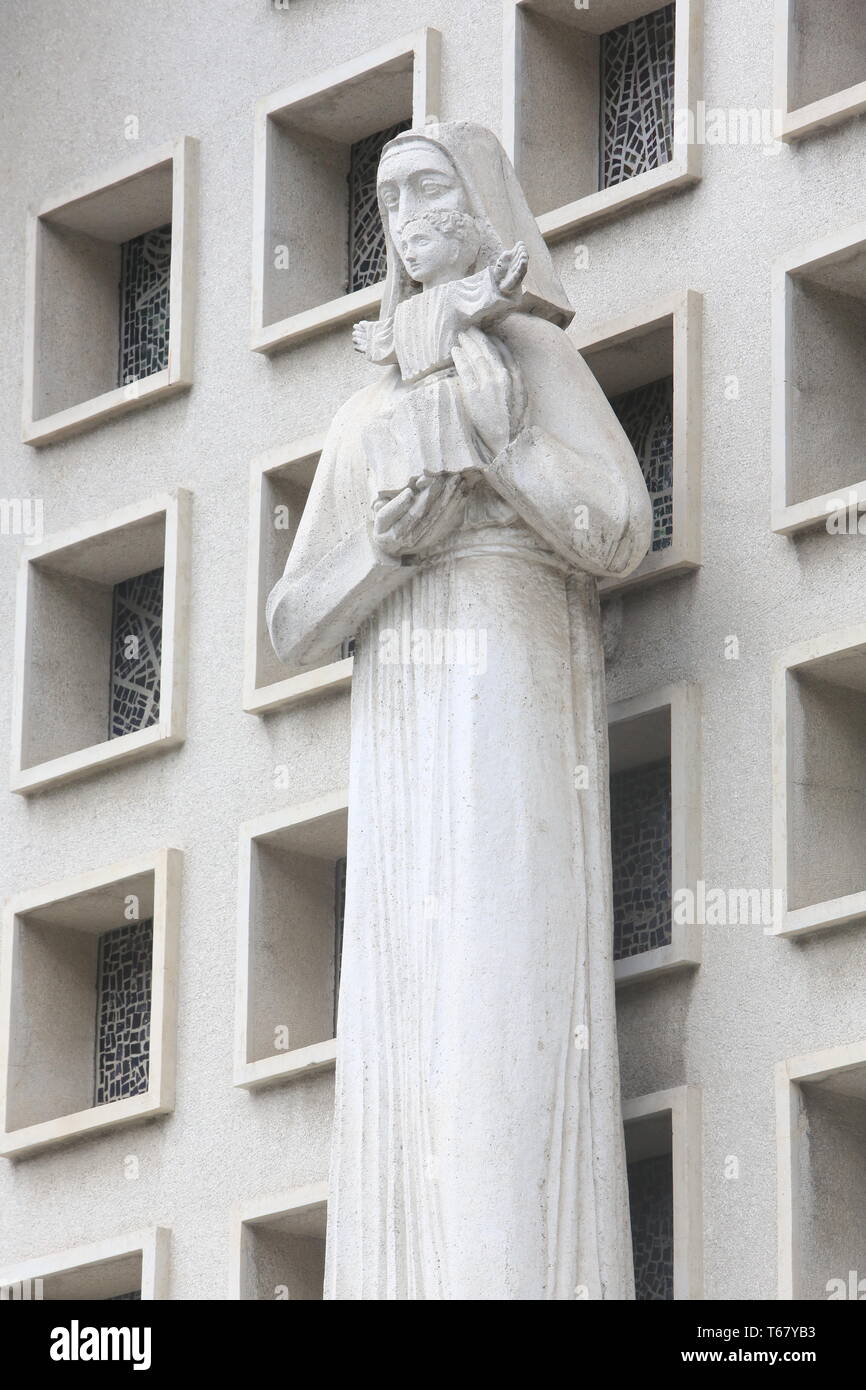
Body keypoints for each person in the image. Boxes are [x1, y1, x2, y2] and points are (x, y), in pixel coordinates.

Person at [267, 122, 652, 1300]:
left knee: (501, 978)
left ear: (481, 200)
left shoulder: (530, 354)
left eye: (428, 188)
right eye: (386, 199)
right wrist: (388, 554)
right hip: (403, 715)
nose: (405, 215)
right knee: (416, 999)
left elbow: (619, 531)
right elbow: (290, 622)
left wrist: (511, 448)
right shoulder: (362, 413)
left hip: (513, 684)